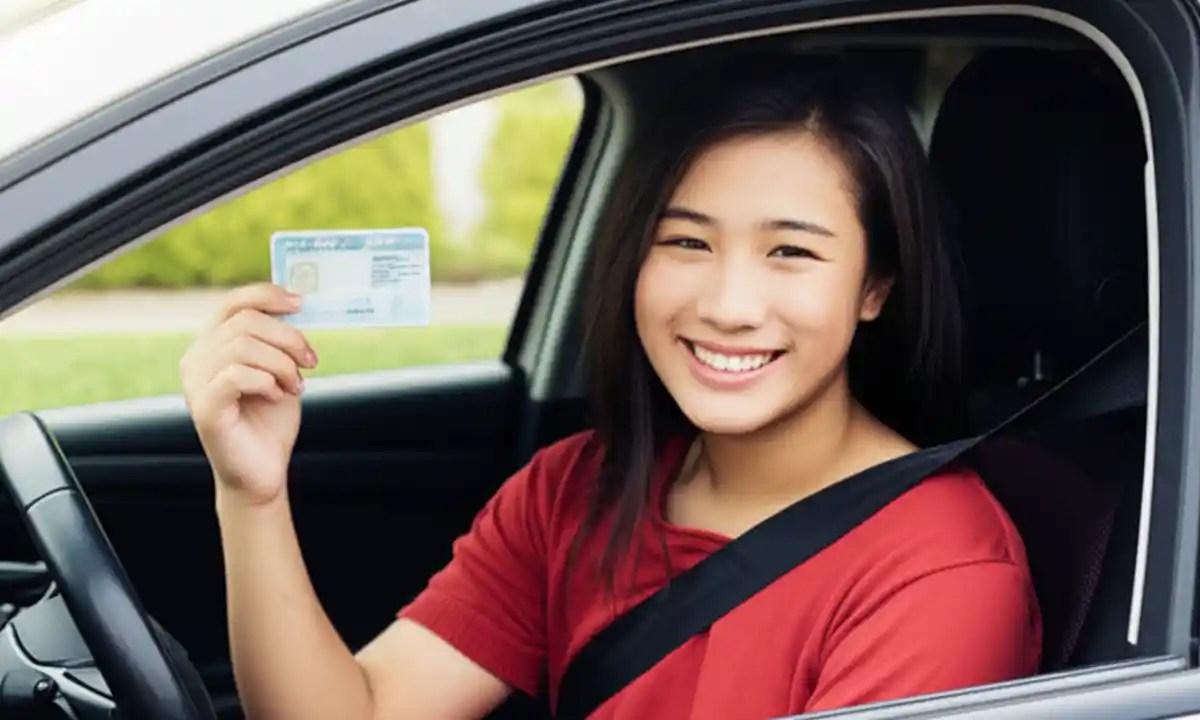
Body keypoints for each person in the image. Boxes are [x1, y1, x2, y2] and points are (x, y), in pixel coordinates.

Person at [179, 53, 1041, 720]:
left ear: (874, 288)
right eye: (686, 244)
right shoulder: (575, 491)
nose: (728, 306)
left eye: (792, 252)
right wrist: (250, 496)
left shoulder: (942, 569)